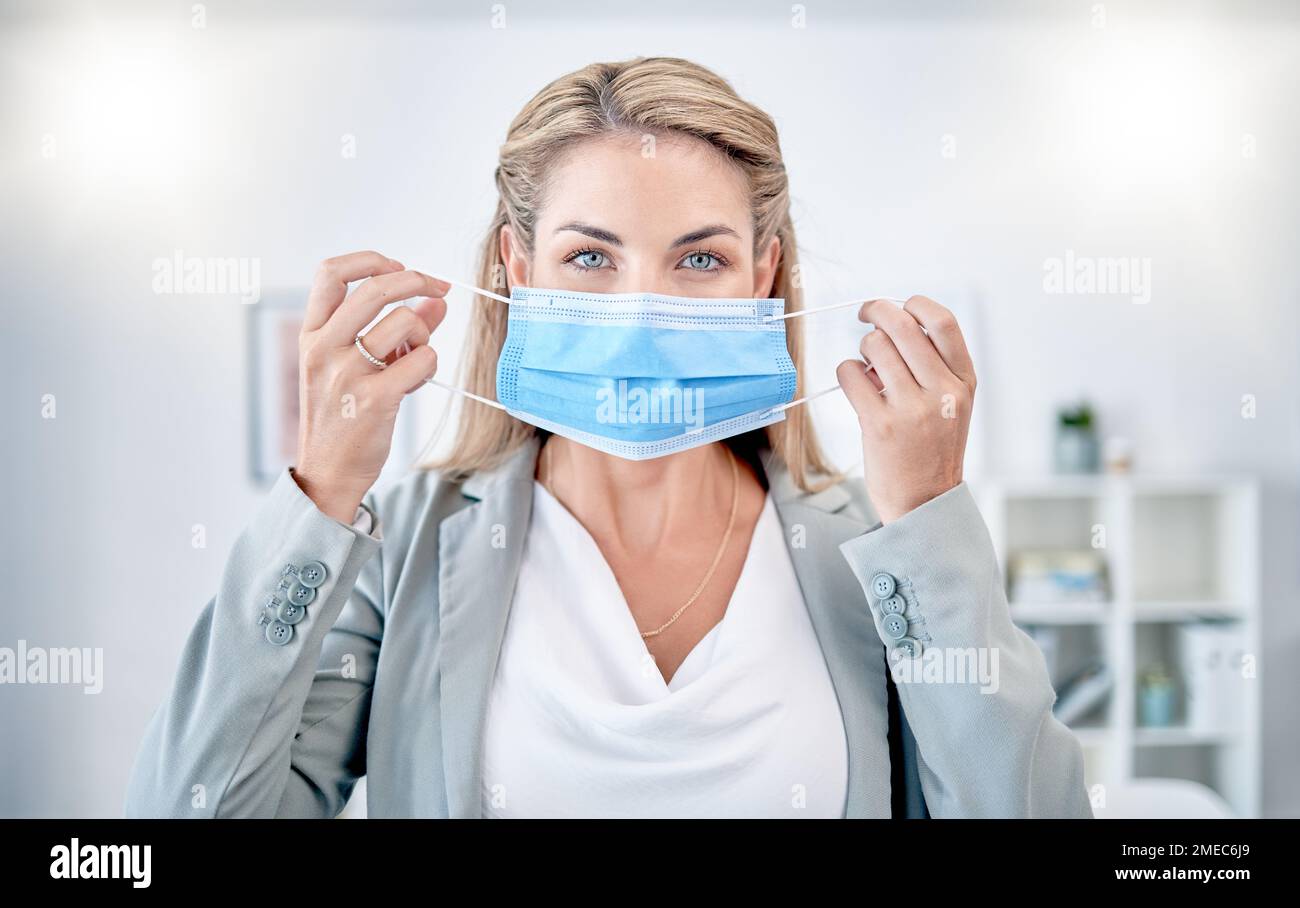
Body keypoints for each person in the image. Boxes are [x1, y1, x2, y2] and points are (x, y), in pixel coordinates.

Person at [125, 56, 1092, 818]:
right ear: (518, 265)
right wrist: (320, 497)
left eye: (699, 258)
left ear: (765, 273)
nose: (640, 314)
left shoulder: (872, 554)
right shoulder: (404, 550)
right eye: (590, 256)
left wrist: (929, 519)